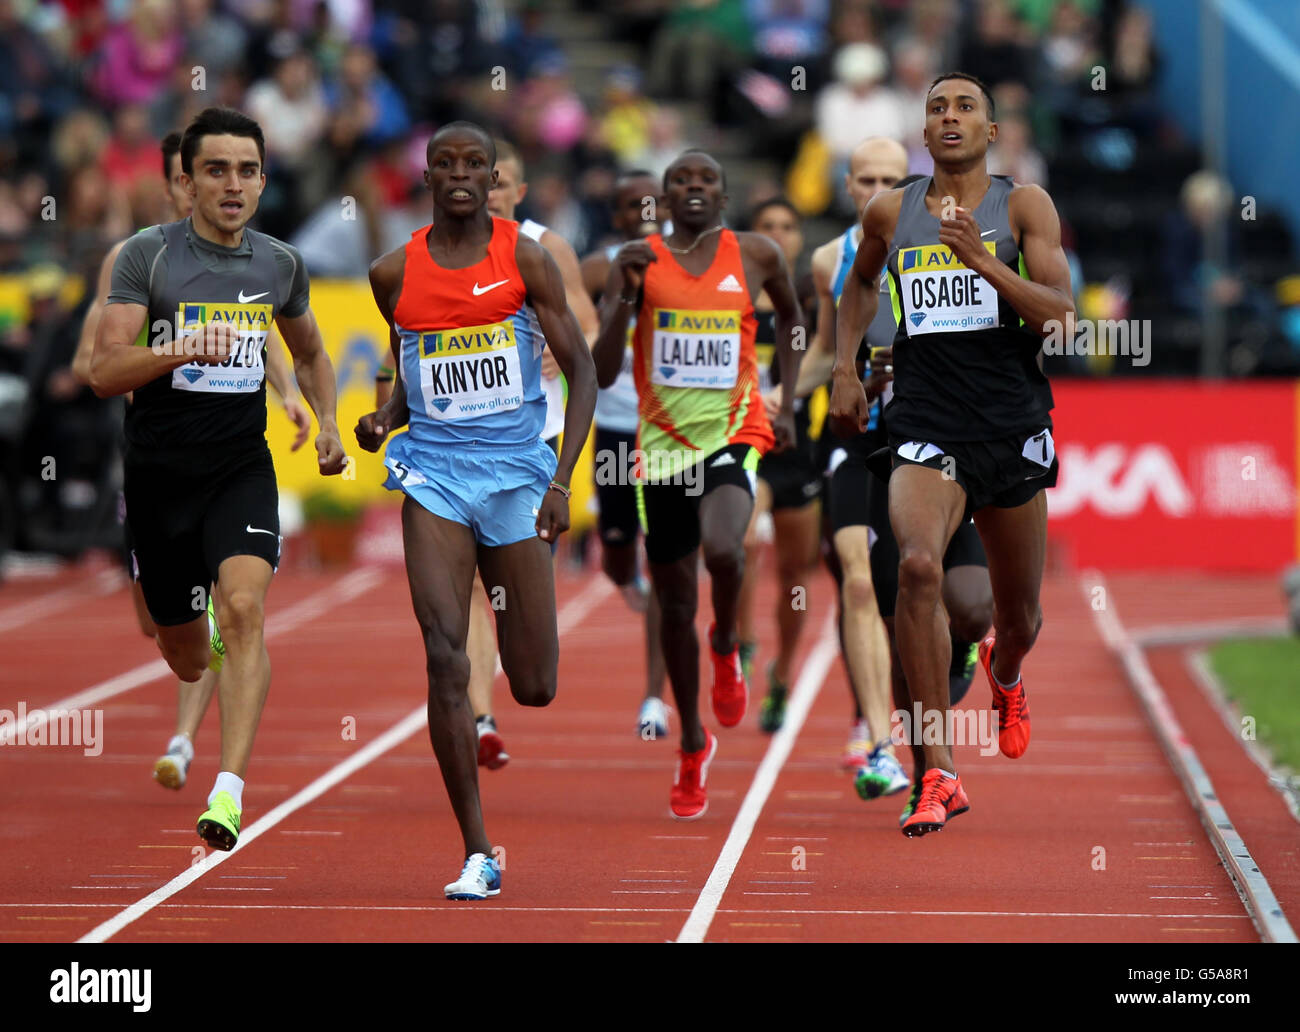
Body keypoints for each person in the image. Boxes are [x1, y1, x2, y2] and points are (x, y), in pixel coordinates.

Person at [90, 106, 348, 851]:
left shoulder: (278, 264)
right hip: (158, 476)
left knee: (244, 606)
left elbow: (309, 352)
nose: (232, 184)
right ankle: (191, 623)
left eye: (246, 170)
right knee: (184, 651)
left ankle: (229, 792)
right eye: (216, 170)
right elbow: (105, 371)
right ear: (188, 180)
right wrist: (176, 349)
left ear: (263, 181)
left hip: (239, 469)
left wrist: (324, 418)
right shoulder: (148, 257)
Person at [355, 122, 596, 899]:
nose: (461, 176)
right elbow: (410, 374)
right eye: (445, 165)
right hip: (434, 477)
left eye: (476, 166)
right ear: (425, 177)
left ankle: (490, 798)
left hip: (519, 477)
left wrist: (562, 482)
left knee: (534, 684)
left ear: (494, 178)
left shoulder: (524, 258)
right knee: (445, 654)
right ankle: (477, 849)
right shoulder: (392, 272)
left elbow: (582, 374)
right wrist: (384, 419)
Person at [830, 74, 1073, 837]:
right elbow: (859, 285)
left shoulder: (1024, 206)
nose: (950, 117)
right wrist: (844, 365)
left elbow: (1061, 315)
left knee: (1019, 615)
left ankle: (1004, 673)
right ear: (923, 133)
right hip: (925, 419)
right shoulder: (891, 210)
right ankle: (937, 767)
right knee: (917, 568)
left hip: (1010, 425)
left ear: (992, 131)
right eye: (937, 108)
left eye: (966, 106)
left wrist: (985, 262)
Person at [593, 149, 801, 820]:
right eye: (679, 180)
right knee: (675, 605)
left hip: (734, 432)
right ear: (663, 196)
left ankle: (727, 646)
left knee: (725, 549)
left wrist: (788, 400)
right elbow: (599, 371)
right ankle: (690, 742)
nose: (692, 189)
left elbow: (793, 319)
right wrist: (625, 297)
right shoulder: (640, 259)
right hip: (661, 451)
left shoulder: (758, 254)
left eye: (705, 179)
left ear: (723, 193)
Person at [579, 169, 670, 738]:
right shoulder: (595, 268)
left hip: (669, 432)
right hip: (613, 428)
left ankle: (654, 700)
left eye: (652, 201)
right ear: (614, 216)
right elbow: (578, 337)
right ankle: (626, 578)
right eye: (631, 204)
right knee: (616, 552)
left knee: (666, 559)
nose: (644, 210)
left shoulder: (685, 259)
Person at [733, 197, 822, 735]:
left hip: (798, 453)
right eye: (767, 226)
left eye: (788, 227)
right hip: (748, 448)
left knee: (795, 576)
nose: (778, 235)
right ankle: (742, 639)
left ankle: (783, 673)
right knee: (744, 540)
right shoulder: (734, 299)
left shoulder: (812, 301)